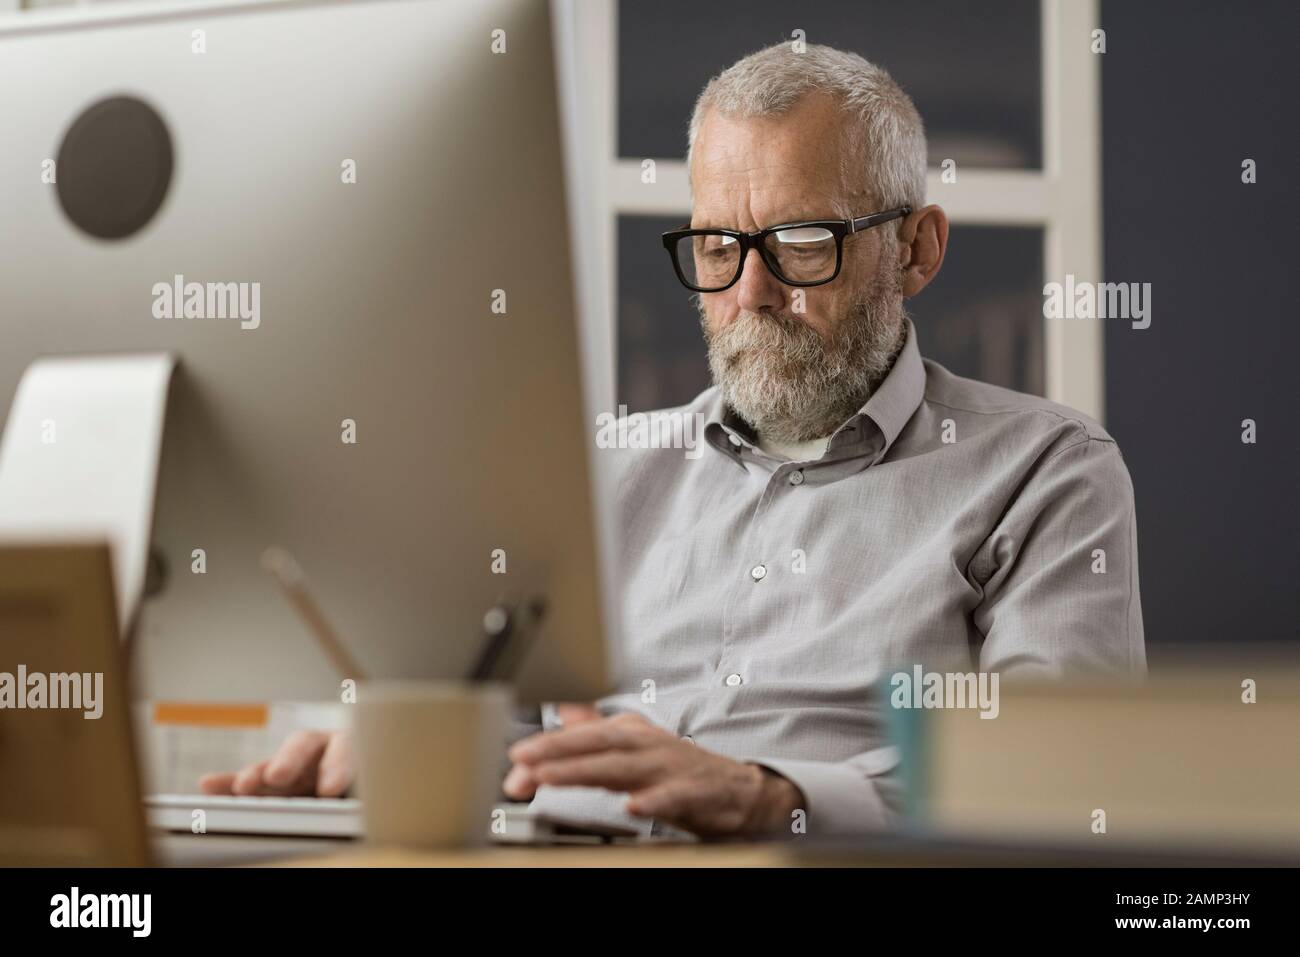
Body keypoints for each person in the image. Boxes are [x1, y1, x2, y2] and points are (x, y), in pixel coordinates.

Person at [202, 43, 1145, 838]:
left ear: (917, 249)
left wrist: (773, 796)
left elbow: (1060, 782)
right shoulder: (599, 474)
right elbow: (507, 722)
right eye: (716, 247)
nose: (751, 294)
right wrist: (407, 744)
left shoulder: (1046, 468)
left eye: (803, 243)